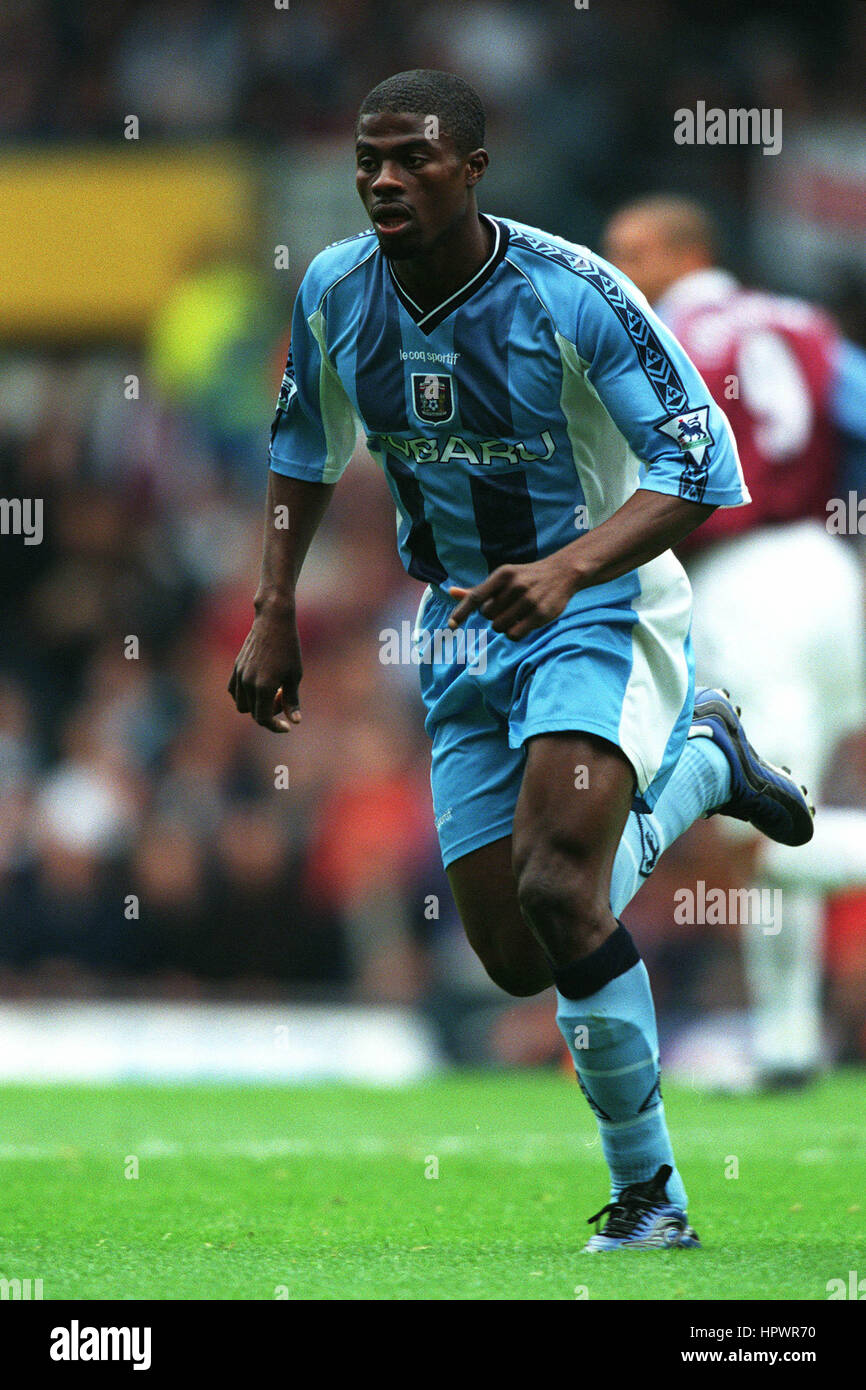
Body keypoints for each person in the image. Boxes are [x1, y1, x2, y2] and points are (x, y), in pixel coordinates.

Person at [229, 71, 814, 1250]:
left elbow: (695, 468)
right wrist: (274, 608)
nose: (383, 180)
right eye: (367, 160)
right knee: (509, 953)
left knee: (560, 884)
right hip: (457, 626)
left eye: (412, 160)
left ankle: (650, 1196)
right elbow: (300, 447)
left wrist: (566, 570)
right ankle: (702, 764)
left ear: (474, 168)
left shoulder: (575, 292)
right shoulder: (340, 289)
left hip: (596, 604)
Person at [603, 196, 866, 1089]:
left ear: (687, 252)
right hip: (831, 573)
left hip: (745, 588)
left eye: (633, 251)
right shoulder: (801, 322)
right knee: (781, 806)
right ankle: (788, 1044)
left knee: (764, 832)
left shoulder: (659, 337)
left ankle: (787, 1038)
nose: (619, 269)